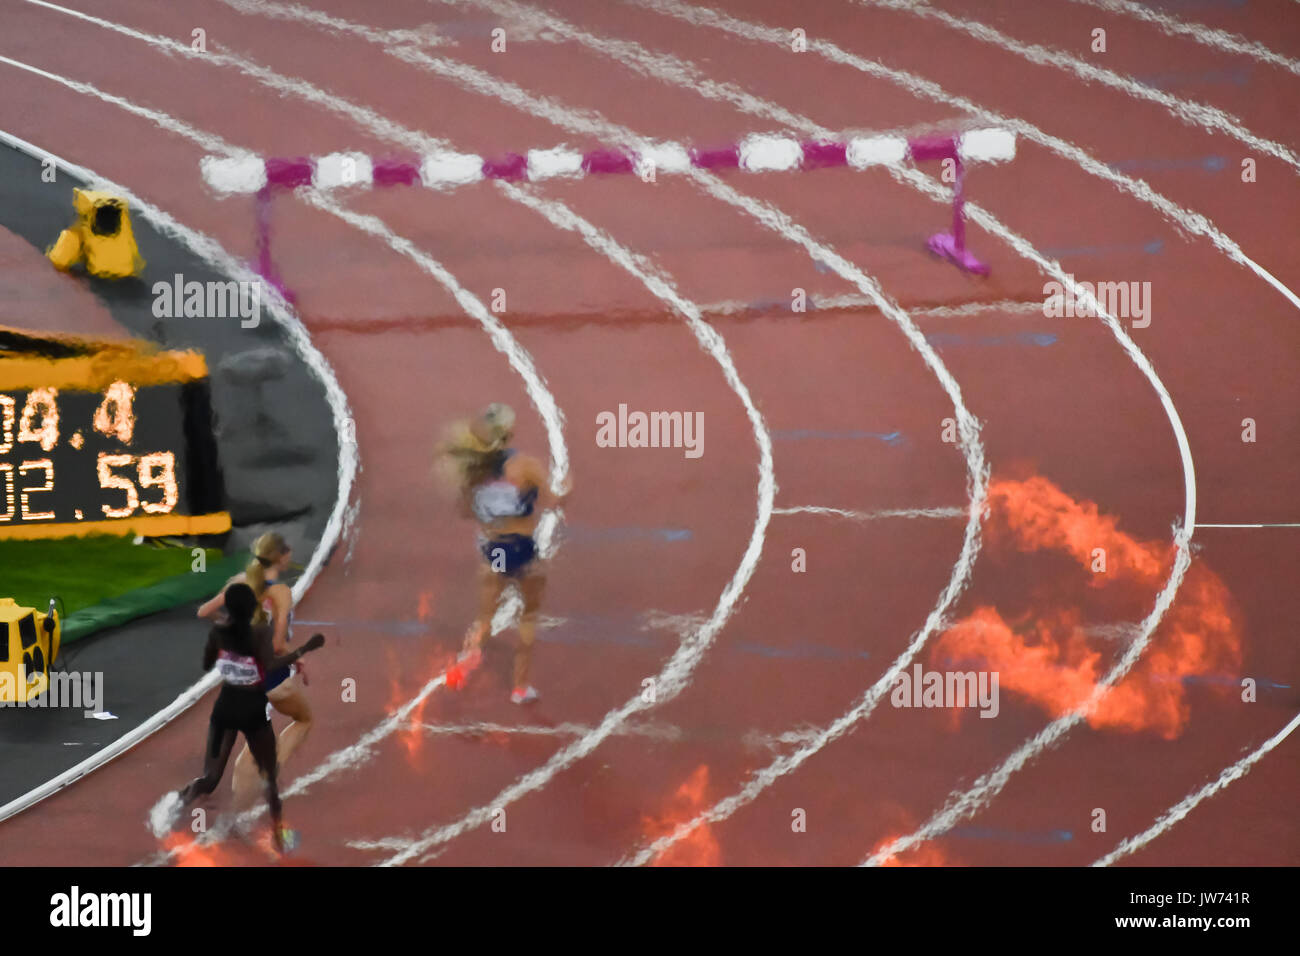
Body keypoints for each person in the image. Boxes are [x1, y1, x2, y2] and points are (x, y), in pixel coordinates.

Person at [178, 583, 324, 852]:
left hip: (225, 707)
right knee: (270, 775)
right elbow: (271, 662)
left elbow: (208, 661)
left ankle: (175, 808)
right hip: (253, 707)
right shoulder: (263, 627)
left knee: (210, 778)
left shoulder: (221, 628)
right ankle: (279, 840)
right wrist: (302, 651)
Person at [437, 403, 563, 703]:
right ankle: (520, 688)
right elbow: (553, 501)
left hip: (494, 550)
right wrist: (568, 490)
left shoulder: (473, 473)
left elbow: (466, 511)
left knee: (484, 618)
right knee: (529, 616)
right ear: (510, 433)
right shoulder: (525, 466)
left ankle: (462, 669)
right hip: (522, 550)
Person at [197, 533, 313, 801]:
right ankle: (264, 774)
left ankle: (218, 786)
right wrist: (299, 658)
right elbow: (278, 643)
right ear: (281, 557)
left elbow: (205, 612)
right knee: (304, 719)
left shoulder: (240, 582)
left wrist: (232, 629)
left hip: (240, 680)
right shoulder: (281, 592)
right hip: (272, 678)